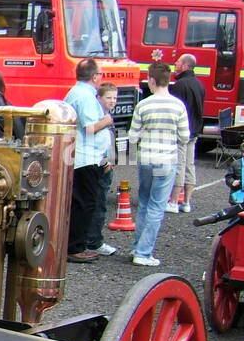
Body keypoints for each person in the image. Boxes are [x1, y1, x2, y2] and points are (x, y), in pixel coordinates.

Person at [127, 63, 189, 267]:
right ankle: (144, 253)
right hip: (166, 160)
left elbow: (132, 136)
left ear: (152, 81)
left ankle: (138, 247)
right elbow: (185, 137)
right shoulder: (178, 105)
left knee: (144, 203)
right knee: (156, 207)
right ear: (169, 80)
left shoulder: (143, 105)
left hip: (145, 159)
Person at [65, 59, 113, 263]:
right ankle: (75, 246)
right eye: (100, 74)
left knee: (82, 202)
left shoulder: (79, 93)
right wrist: (107, 120)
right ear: (94, 77)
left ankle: (76, 243)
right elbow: (90, 128)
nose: (101, 78)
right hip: (84, 158)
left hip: (84, 156)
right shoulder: (84, 97)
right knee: (85, 204)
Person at [166, 53, 205, 214]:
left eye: (177, 62)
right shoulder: (199, 84)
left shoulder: (179, 85)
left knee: (179, 166)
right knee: (190, 165)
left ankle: (174, 201)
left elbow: (173, 110)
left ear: (184, 66)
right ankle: (187, 202)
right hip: (195, 130)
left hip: (182, 131)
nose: (175, 65)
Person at [87, 83, 120, 257]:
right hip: (99, 165)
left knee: (99, 203)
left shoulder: (106, 115)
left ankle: (92, 239)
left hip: (106, 162)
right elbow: (92, 138)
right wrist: (104, 160)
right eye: (108, 97)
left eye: (115, 98)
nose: (112, 101)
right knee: (98, 204)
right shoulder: (100, 117)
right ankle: (94, 242)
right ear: (98, 98)